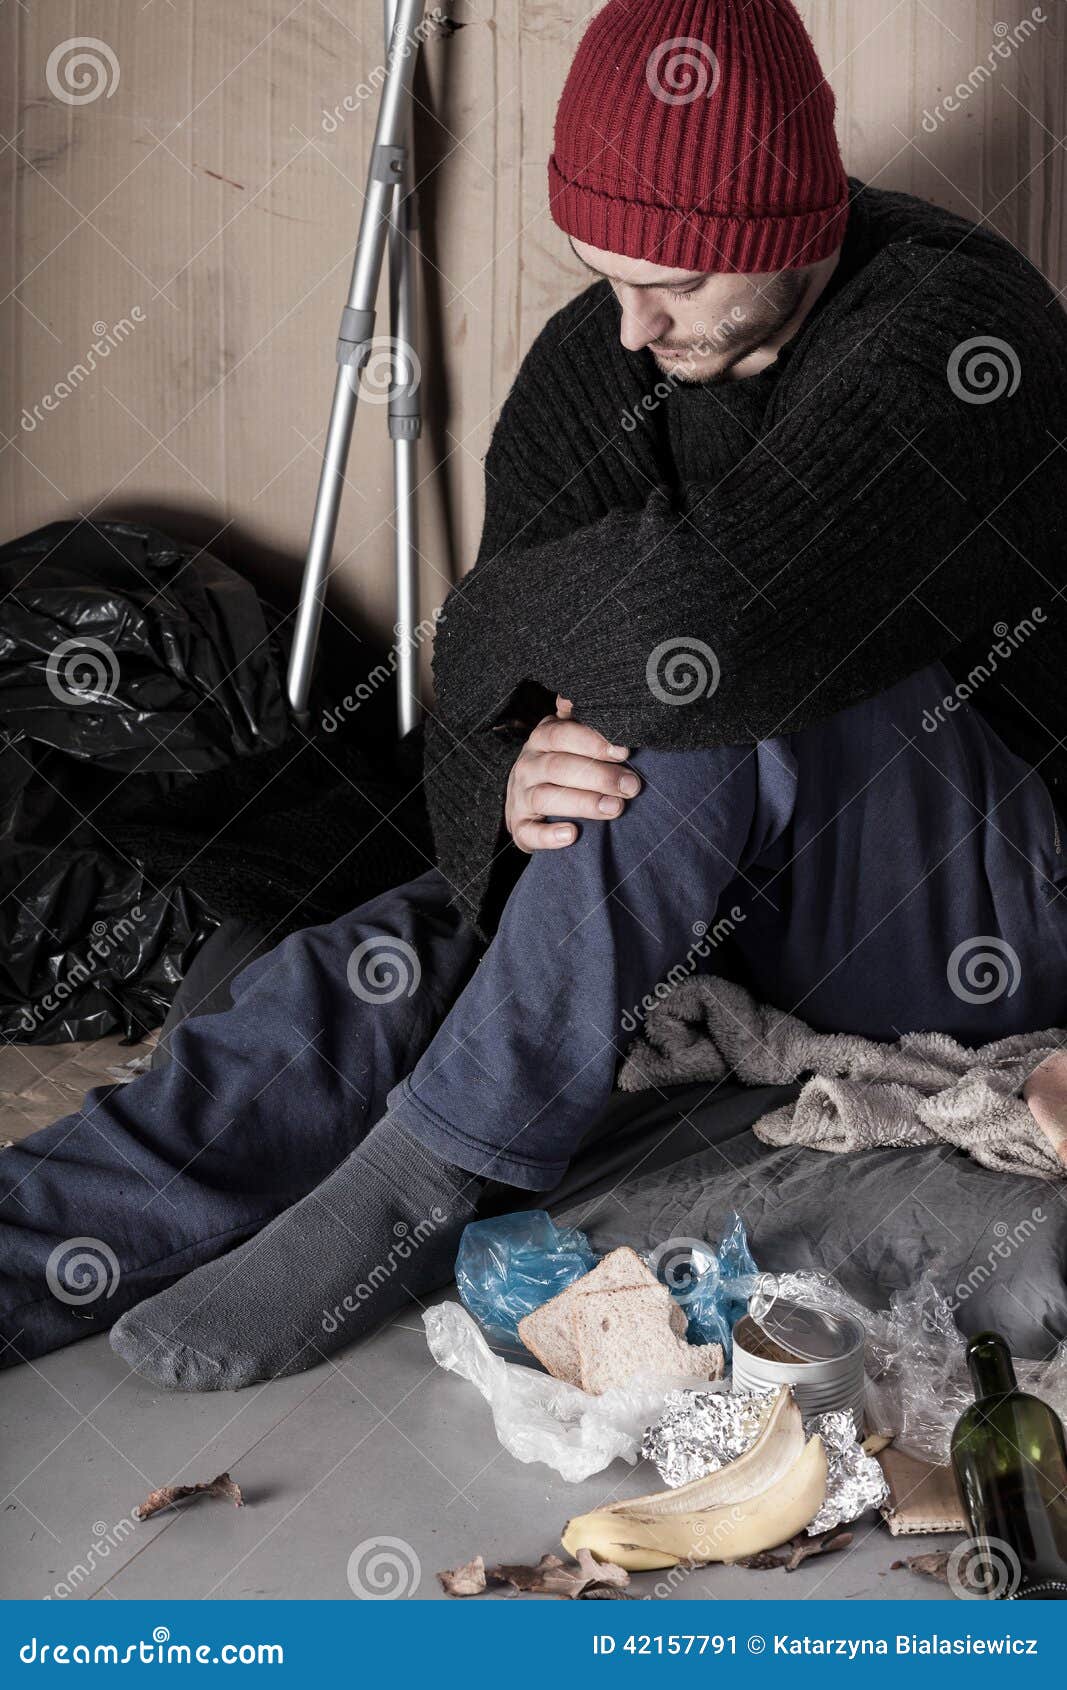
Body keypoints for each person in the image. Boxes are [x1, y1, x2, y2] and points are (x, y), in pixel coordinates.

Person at [3, 0, 1066, 1390]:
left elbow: (720, 622)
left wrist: (502, 625)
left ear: (787, 226)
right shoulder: (605, 358)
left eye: (672, 283)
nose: (631, 327)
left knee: (691, 690)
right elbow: (469, 724)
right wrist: (512, 776)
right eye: (605, 277)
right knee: (383, 962)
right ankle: (31, 1242)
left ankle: (430, 1164)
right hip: (715, 882)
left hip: (974, 889)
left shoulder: (955, 323)